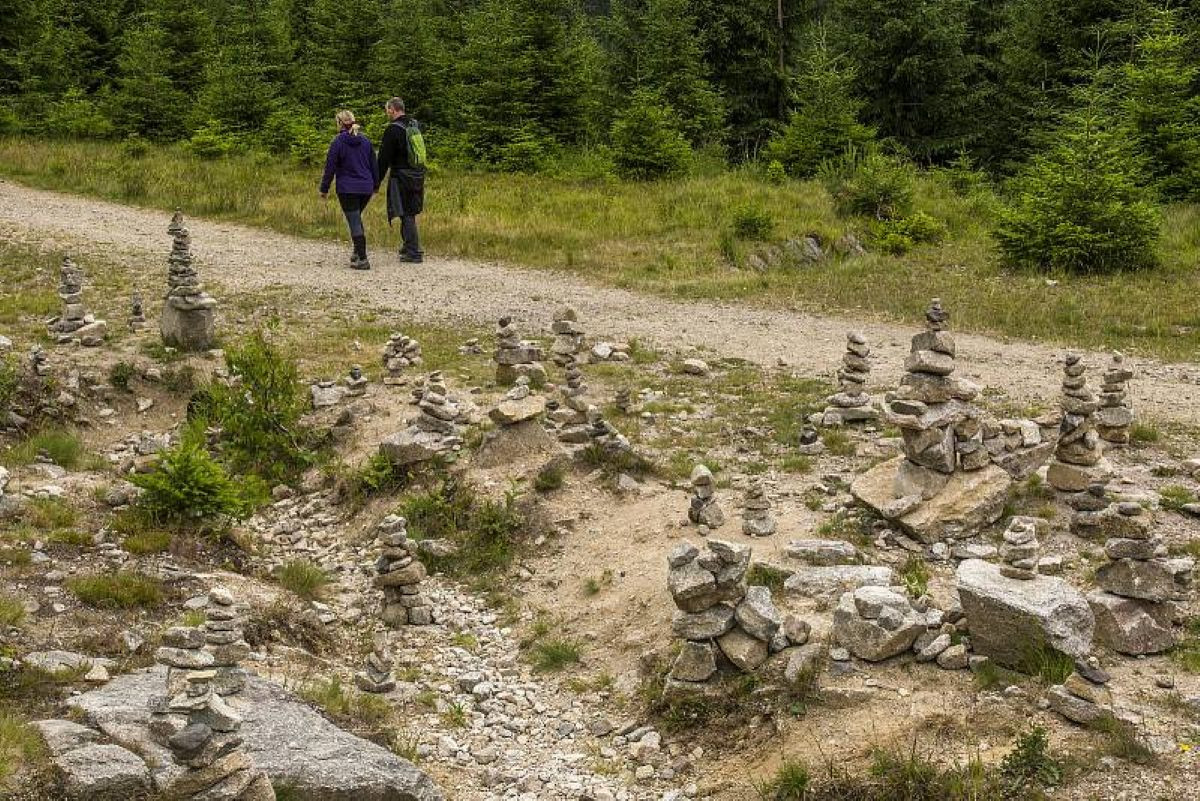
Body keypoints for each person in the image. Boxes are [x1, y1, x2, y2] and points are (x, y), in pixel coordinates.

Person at [319, 110, 380, 270]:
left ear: (339, 124)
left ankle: (363, 258)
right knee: (356, 218)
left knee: (353, 220)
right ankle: (356, 252)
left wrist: (324, 188)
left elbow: (330, 167)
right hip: (366, 188)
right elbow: (374, 164)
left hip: (347, 188)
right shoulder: (366, 141)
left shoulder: (337, 142)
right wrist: (376, 185)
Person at [376, 97, 426, 263]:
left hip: (401, 176)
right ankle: (407, 245)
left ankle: (413, 251)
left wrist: (376, 181)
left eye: (387, 110)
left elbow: (383, 158)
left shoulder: (393, 129)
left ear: (392, 109)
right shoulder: (414, 125)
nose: (387, 113)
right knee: (410, 210)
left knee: (405, 212)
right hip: (417, 174)